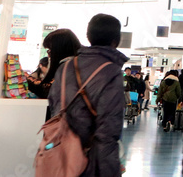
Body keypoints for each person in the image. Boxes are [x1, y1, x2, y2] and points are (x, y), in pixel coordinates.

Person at [45, 14, 126, 177]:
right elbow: (108, 131)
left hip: (60, 154)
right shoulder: (111, 72)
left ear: (88, 36)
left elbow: (54, 108)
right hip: (90, 161)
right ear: (116, 41)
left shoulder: (65, 67)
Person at [31, 28, 83, 101]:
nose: (49, 55)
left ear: (58, 50)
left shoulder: (67, 67)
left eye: (50, 50)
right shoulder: (80, 63)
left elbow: (49, 92)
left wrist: (27, 81)